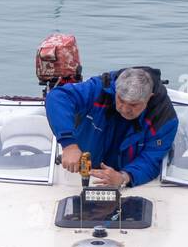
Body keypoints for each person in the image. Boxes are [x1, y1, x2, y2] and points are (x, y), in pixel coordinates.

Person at [45, 65, 179, 188]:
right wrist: (69, 144)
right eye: (121, 100)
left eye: (133, 105)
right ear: (115, 89)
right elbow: (57, 97)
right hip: (82, 172)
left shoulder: (164, 119)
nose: (125, 109)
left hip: (127, 181)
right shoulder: (100, 88)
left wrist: (124, 177)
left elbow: (151, 160)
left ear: (149, 98)